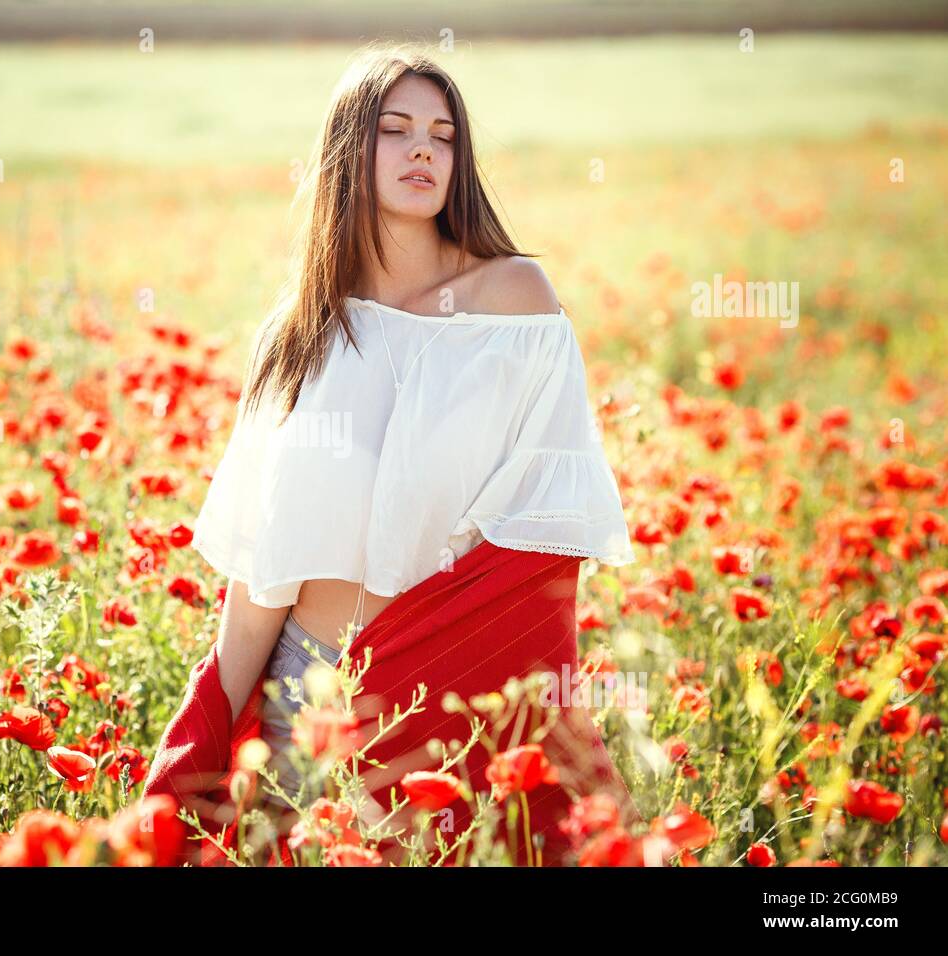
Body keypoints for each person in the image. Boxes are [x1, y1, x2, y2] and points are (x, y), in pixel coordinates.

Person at [144, 43, 640, 865]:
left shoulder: (513, 302)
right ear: (347, 151)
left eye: (443, 136)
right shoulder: (299, 331)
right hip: (303, 688)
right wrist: (206, 735)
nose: (423, 150)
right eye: (396, 129)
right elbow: (265, 564)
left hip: (449, 691)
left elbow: (546, 538)